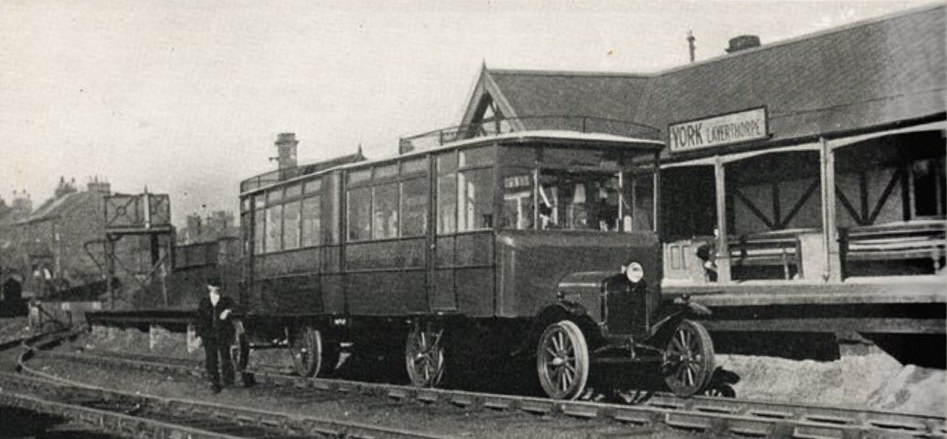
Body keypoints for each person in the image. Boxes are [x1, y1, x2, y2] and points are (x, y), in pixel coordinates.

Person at [195, 275, 237, 393]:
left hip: (223, 333)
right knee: (211, 359)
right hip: (208, 335)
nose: (217, 288)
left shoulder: (226, 300)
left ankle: (228, 381)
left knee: (225, 357)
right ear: (209, 287)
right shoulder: (204, 302)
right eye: (214, 286)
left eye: (218, 286)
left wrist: (228, 311)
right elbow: (199, 319)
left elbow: (236, 307)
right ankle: (214, 383)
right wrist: (199, 335)